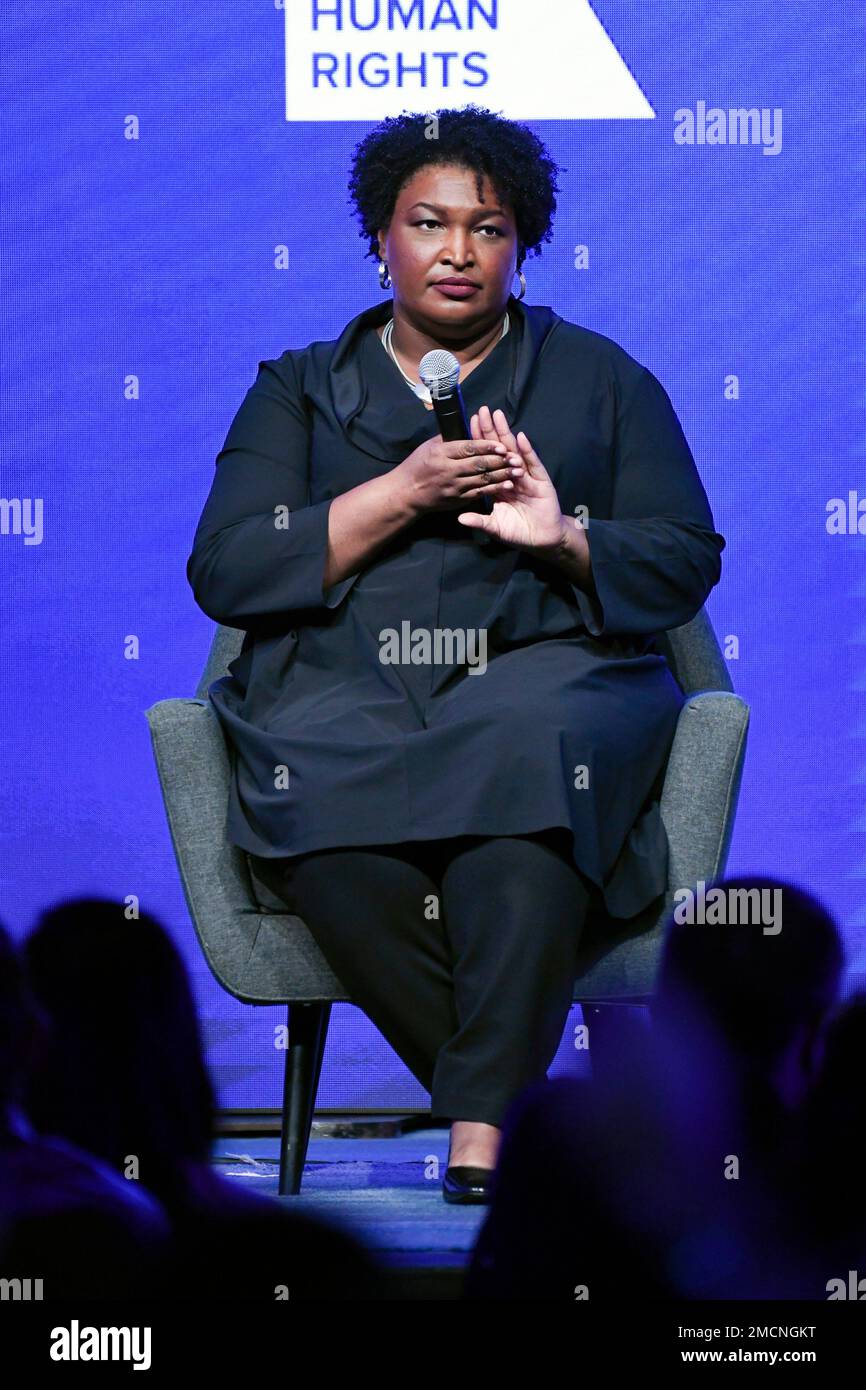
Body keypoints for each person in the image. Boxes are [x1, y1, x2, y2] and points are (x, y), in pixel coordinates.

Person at [186, 104, 725, 1201]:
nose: (454, 250)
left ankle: (479, 1123)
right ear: (377, 239)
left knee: (528, 764)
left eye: (486, 228)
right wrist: (399, 492)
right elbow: (228, 568)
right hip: (342, 689)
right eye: (425, 223)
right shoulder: (294, 388)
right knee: (320, 802)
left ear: (520, 245)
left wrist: (564, 536)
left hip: (547, 668)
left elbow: (679, 562)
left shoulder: (601, 377)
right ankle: (528, 1115)